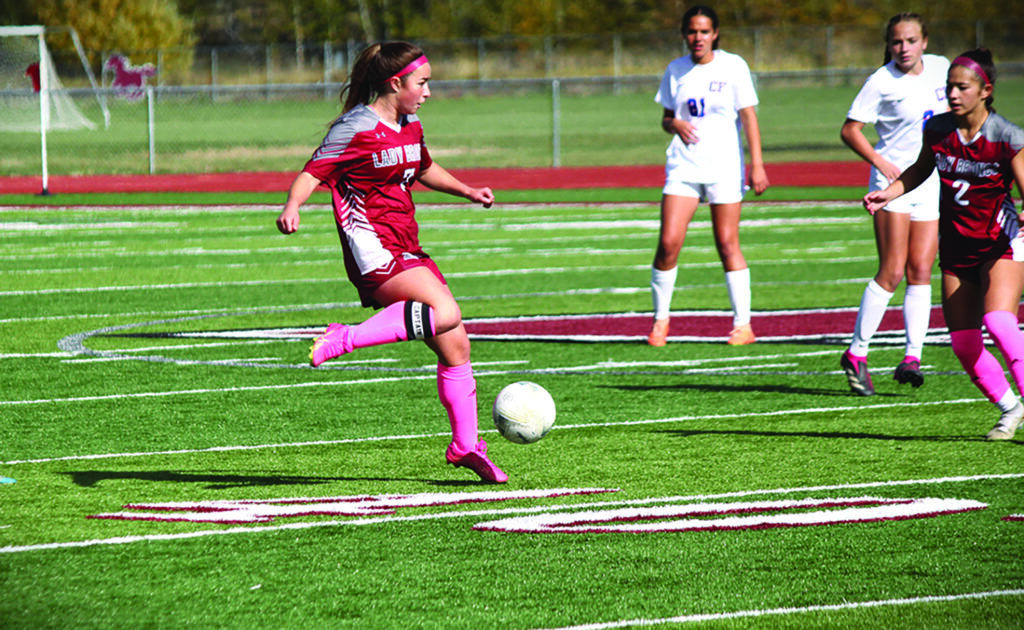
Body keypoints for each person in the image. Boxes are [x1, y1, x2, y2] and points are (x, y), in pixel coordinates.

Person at [276, 41, 508, 481]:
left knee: (456, 344)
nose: (428, 92)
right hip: (372, 245)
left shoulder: (410, 124)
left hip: (406, 242)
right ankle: (344, 337)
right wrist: (294, 206)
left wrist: (468, 191)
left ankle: (464, 447)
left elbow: (422, 168)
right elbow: (312, 172)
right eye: (422, 83)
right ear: (395, 82)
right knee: (445, 312)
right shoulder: (355, 127)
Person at [864, 48, 1024, 440]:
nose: (952, 93)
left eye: (962, 87)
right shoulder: (937, 130)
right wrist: (890, 193)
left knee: (998, 321)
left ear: (985, 90)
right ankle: (1009, 409)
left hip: (999, 243)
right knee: (965, 344)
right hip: (955, 248)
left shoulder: (1006, 136)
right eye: (949, 86)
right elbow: (921, 168)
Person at [839, 13, 949, 396]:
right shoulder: (880, 82)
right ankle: (856, 353)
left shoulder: (941, 68)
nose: (904, 48)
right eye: (897, 42)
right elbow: (850, 129)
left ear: (925, 41)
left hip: (929, 182)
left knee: (921, 268)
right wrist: (881, 162)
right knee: (892, 271)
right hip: (892, 185)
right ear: (889, 44)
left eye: (911, 40)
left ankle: (913, 357)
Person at [647, 4, 769, 347]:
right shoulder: (675, 70)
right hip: (684, 166)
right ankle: (660, 321)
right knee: (668, 243)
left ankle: (743, 326)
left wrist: (757, 164)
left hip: (724, 167)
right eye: (691, 31)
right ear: (684, 34)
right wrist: (675, 123)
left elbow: (749, 117)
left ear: (715, 34)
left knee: (727, 243)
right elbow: (666, 118)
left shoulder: (734, 66)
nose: (697, 38)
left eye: (704, 31)